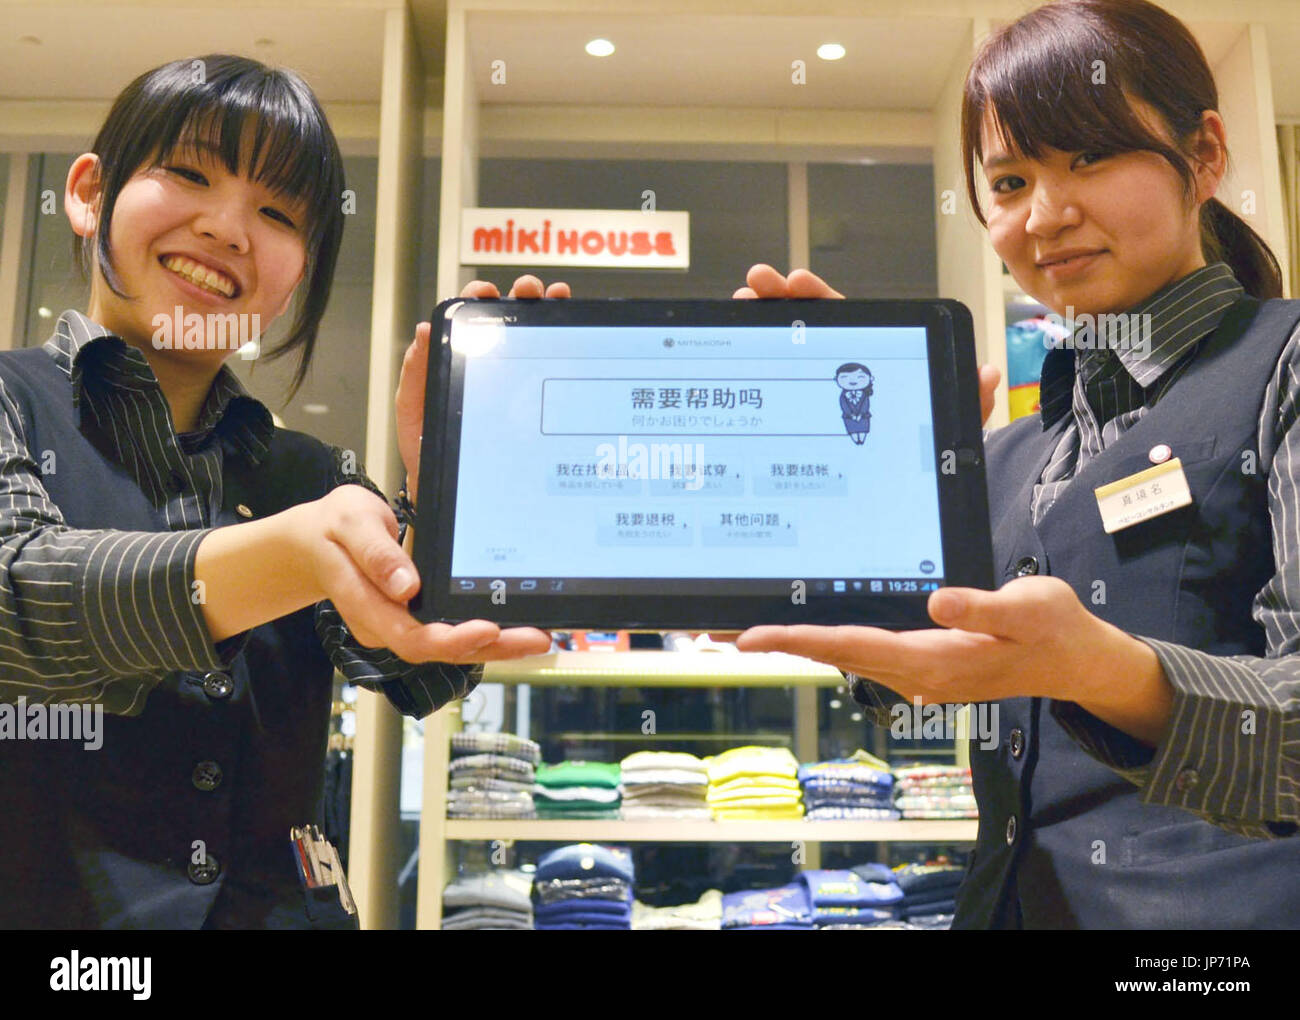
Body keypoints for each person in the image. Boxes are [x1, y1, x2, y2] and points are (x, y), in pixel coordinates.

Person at [731, 0, 1300, 928]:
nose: (1048, 215)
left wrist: (1105, 671)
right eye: (1007, 181)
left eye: (1089, 157)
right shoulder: (1002, 452)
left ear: (1203, 155)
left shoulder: (1284, 366)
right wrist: (869, 485)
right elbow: (908, 670)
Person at [0, 54, 551, 929]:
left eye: (278, 212)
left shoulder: (312, 472)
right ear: (88, 193)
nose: (227, 228)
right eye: (187, 172)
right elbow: (19, 602)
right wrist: (289, 555)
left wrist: (451, 497)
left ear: (299, 272)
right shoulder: (11, 403)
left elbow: (418, 669)